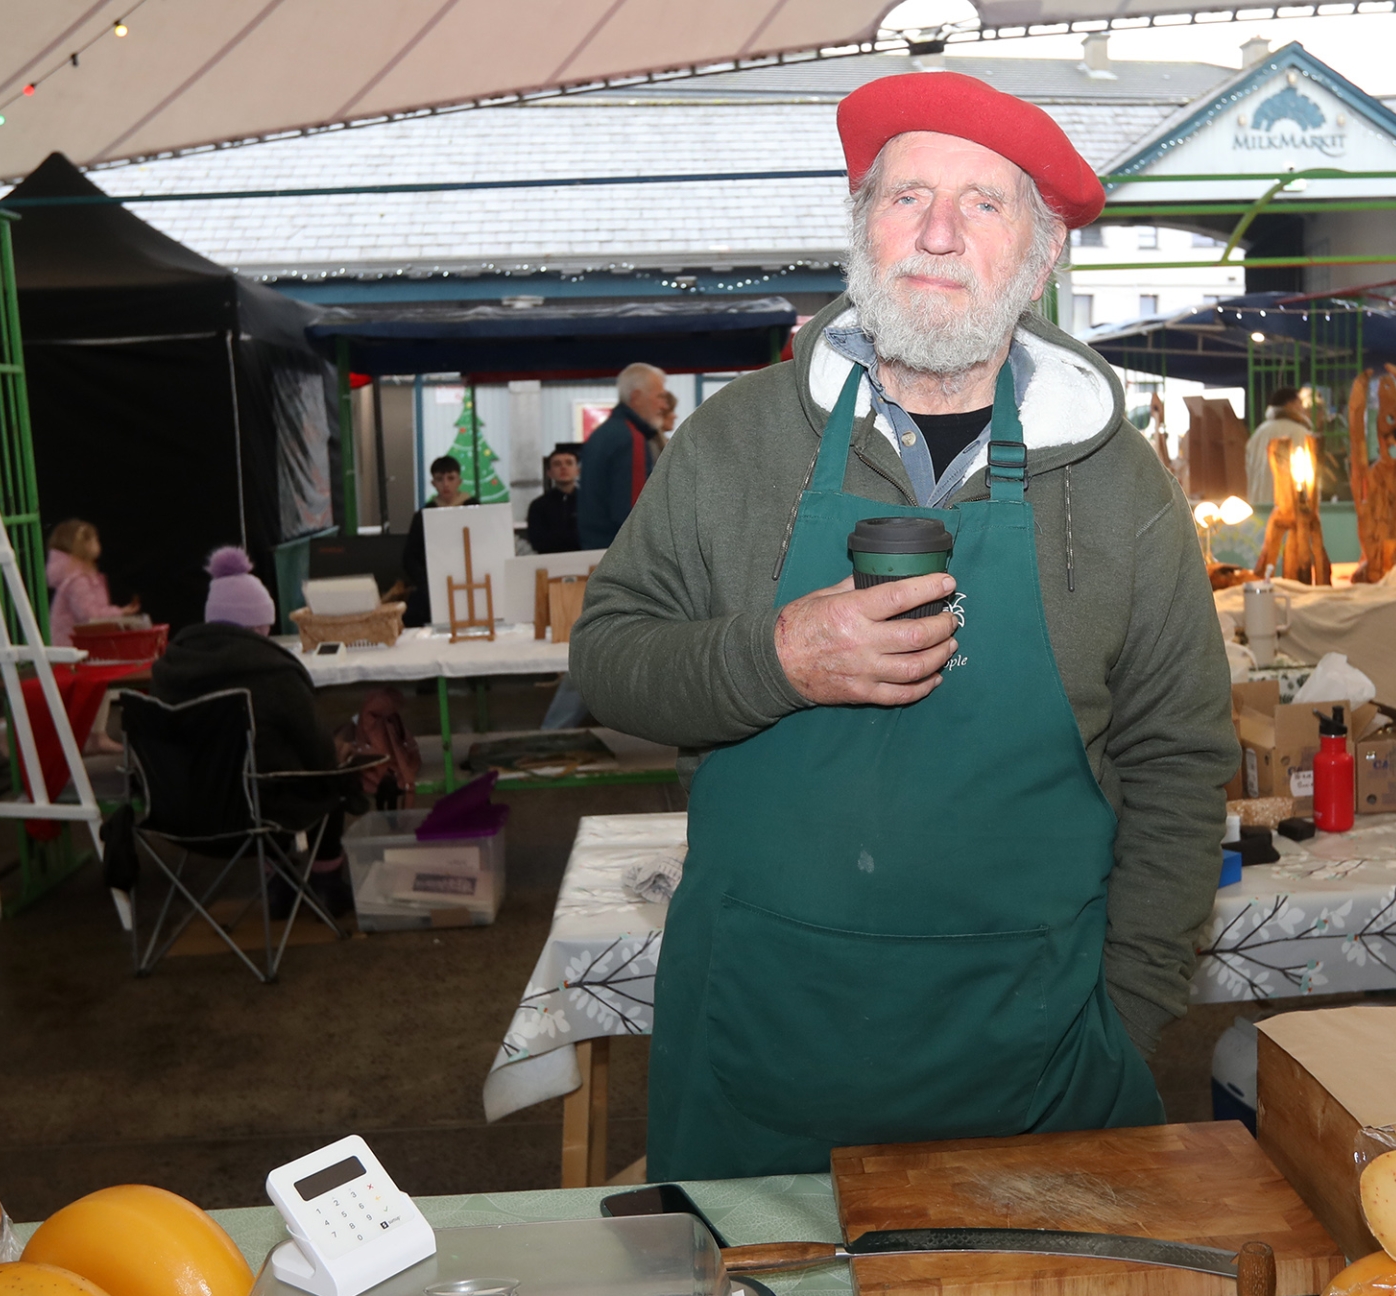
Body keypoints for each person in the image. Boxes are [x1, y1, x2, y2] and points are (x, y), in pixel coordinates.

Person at [571, 72, 1240, 1180]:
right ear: (861, 224)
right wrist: (775, 657)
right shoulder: (736, 443)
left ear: (1043, 254)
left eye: (984, 203)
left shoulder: (1122, 488)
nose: (938, 232)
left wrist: (1126, 1009)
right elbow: (608, 664)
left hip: (1039, 1061)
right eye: (907, 195)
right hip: (760, 1047)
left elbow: (1179, 760)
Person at [151, 547, 364, 915]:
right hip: (257, 815)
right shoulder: (274, 672)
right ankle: (327, 883)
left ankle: (279, 885)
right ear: (257, 626)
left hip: (179, 814)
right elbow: (318, 754)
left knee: (267, 771)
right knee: (323, 774)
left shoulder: (168, 672)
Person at [576, 363, 670, 551]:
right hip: (618, 553)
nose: (664, 405)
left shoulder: (602, 433)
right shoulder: (630, 438)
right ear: (636, 398)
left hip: (594, 548)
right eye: (659, 396)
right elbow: (633, 512)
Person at [391, 455, 479, 628]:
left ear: (459, 481)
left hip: (471, 580)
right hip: (432, 587)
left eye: (450, 478)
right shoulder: (424, 515)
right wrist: (427, 581)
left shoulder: (474, 508)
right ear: (433, 483)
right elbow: (409, 557)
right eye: (440, 479)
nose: (445, 484)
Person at [46, 519, 140, 649]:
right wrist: (120, 612)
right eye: (95, 539)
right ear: (83, 545)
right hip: (73, 652)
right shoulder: (78, 580)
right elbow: (90, 616)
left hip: (80, 648)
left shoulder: (84, 577)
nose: (98, 543)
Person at [1244, 385, 1312, 505]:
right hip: (1287, 505)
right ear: (1290, 404)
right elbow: (1305, 472)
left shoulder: (1259, 432)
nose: (1303, 408)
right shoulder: (1299, 432)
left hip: (1258, 503)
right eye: (1299, 403)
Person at [525, 446, 582, 554]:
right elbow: (537, 541)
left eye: (569, 463)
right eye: (557, 464)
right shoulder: (538, 506)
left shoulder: (592, 504)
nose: (563, 467)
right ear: (549, 473)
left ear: (577, 471)